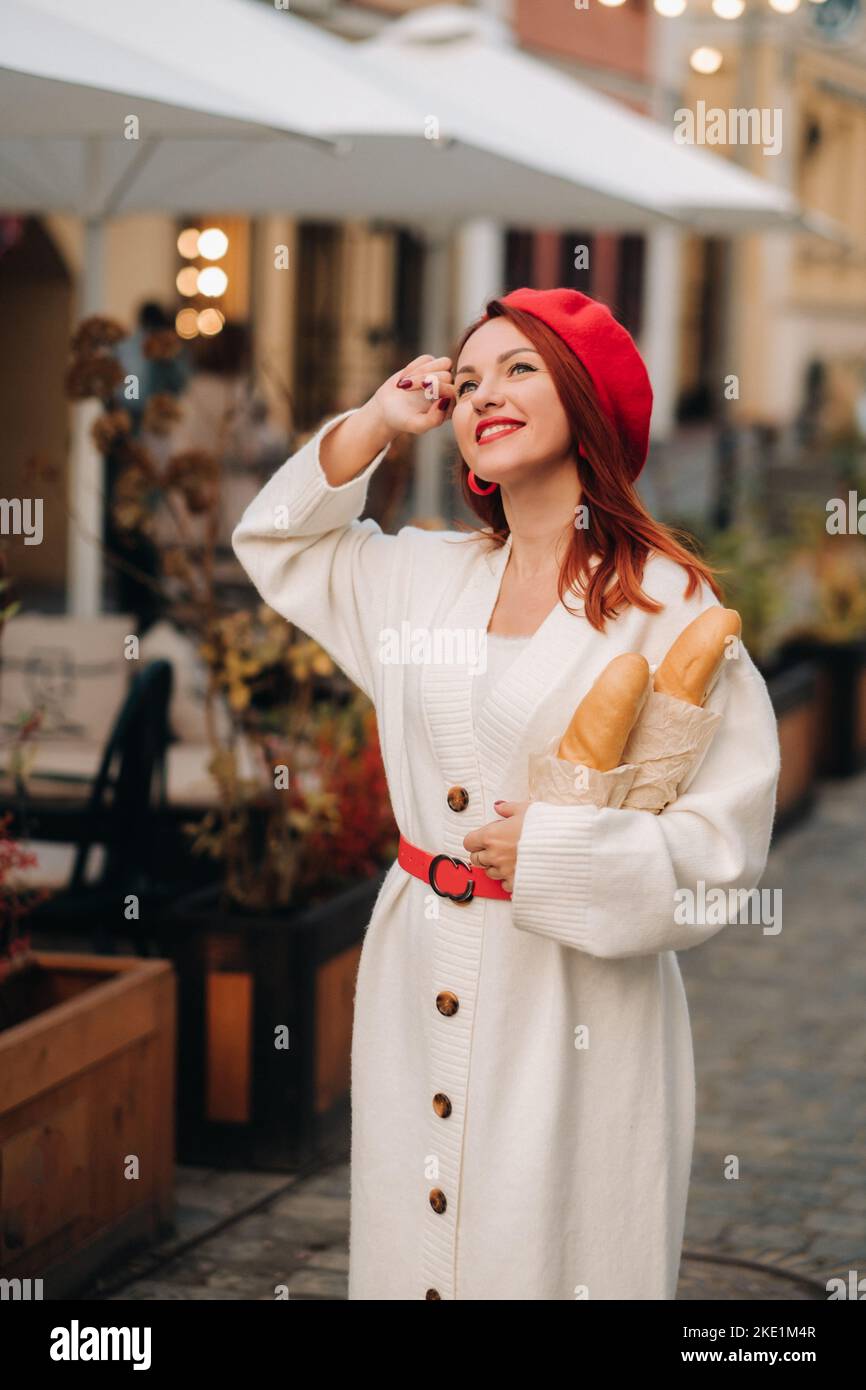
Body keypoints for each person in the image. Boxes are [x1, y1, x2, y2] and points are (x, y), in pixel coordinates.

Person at [231, 287, 780, 1301]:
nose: (484, 391)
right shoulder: (422, 580)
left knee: (546, 1253)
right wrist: (375, 422)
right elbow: (273, 539)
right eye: (468, 375)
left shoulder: (670, 608)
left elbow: (721, 859)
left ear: (586, 399)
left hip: (573, 1005)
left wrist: (565, 854)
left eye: (519, 368)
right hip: (409, 969)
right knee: (413, 1251)